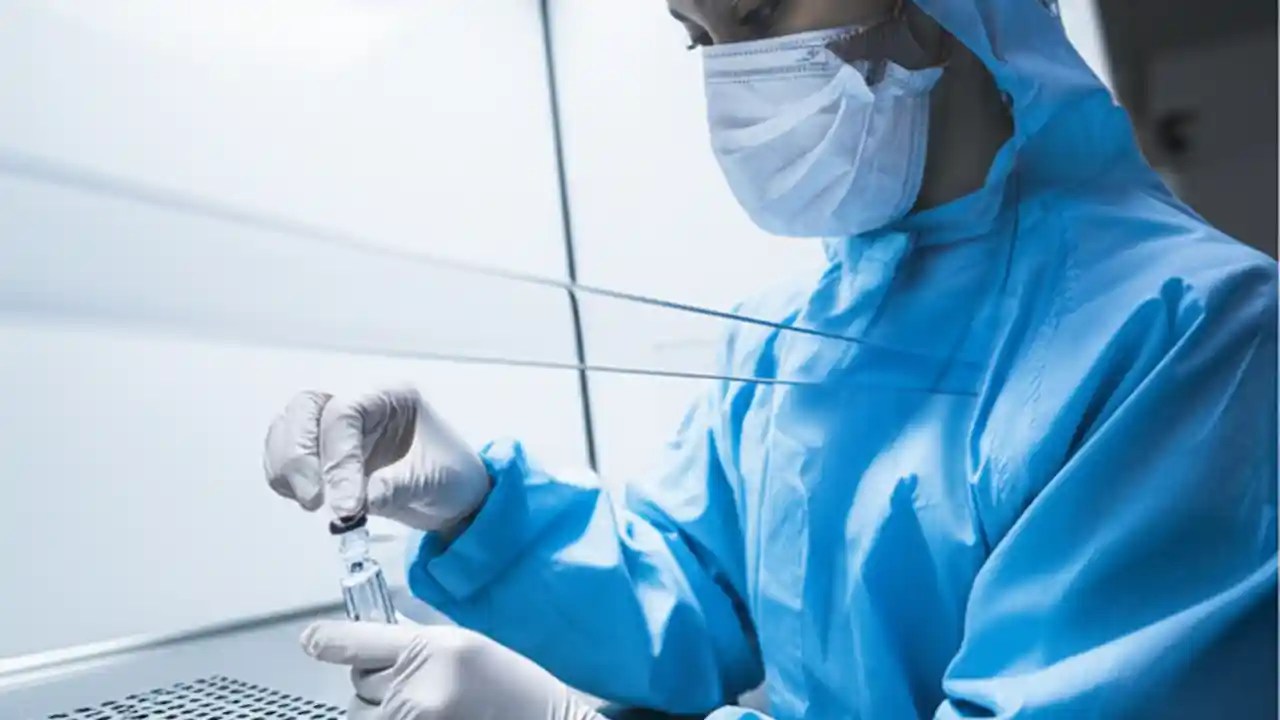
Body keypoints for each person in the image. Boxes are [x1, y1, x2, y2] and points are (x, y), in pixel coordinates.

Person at [264, 0, 1279, 717]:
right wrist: (482, 509)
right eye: (693, 36)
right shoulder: (790, 332)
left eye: (755, 16)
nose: (726, 80)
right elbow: (702, 601)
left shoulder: (1193, 331)